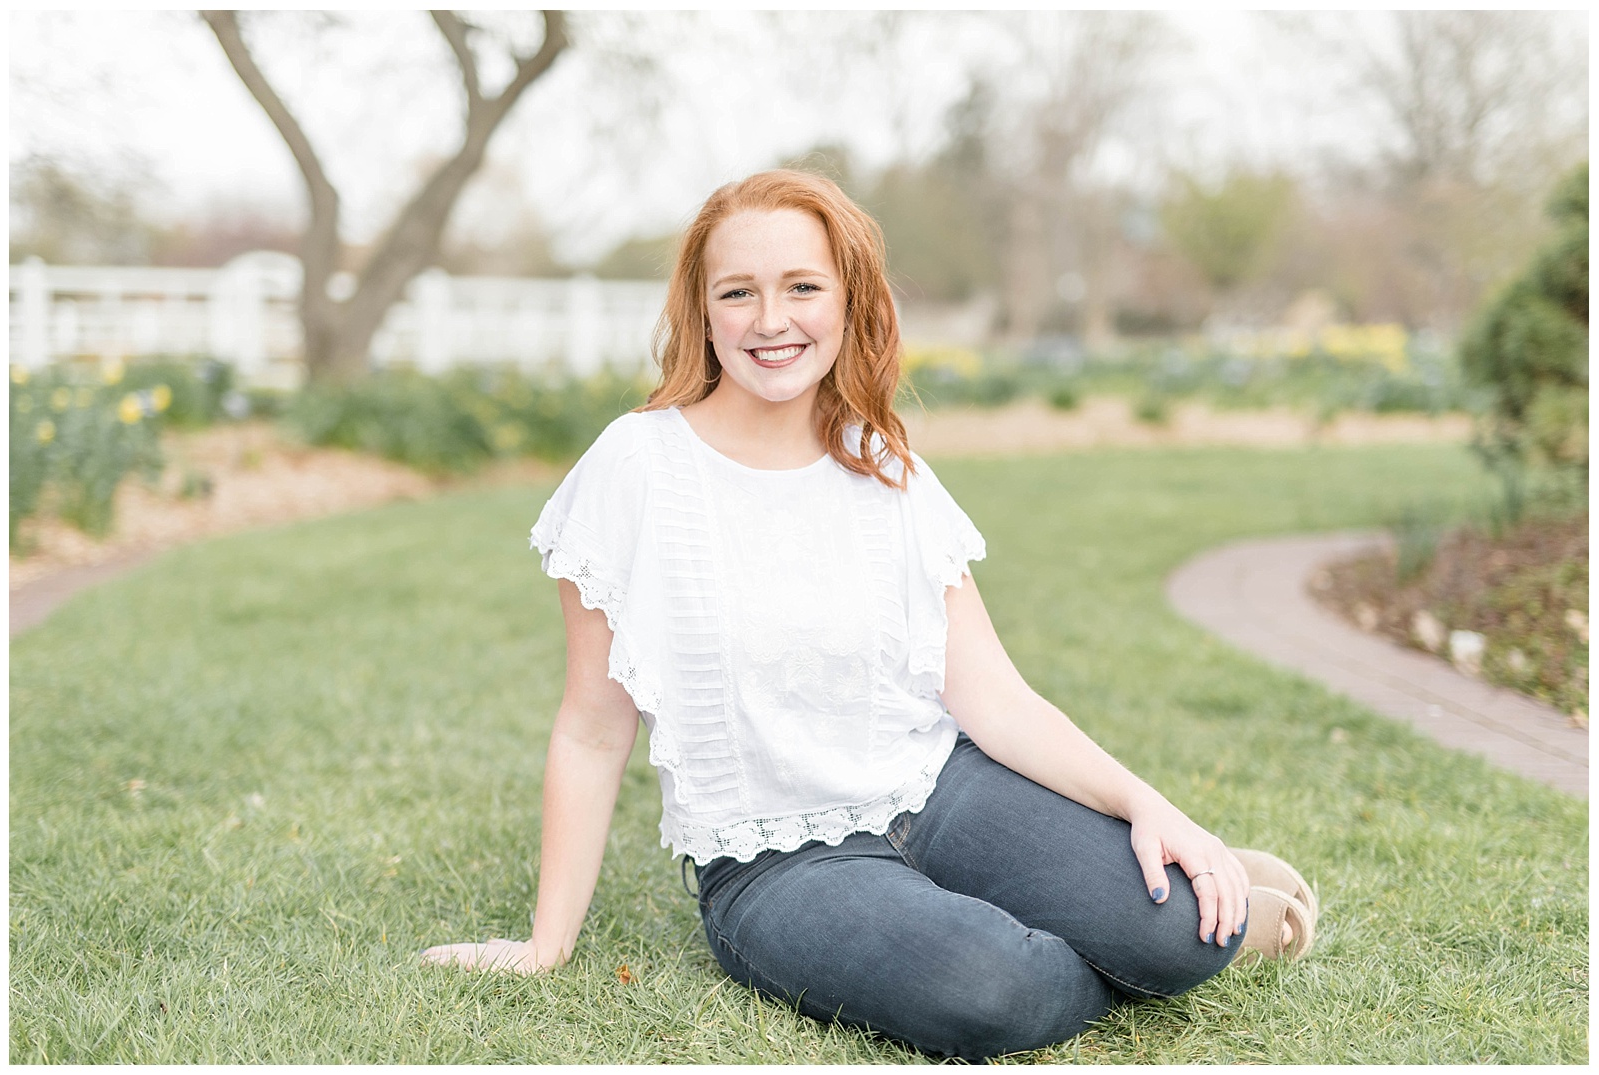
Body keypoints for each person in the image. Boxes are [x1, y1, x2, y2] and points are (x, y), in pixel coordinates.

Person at [421, 170, 1317, 1061]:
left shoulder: (882, 465)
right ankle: (1113, 916)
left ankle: (1162, 897)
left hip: (942, 792)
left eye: (802, 287)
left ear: (849, 302)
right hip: (779, 865)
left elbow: (994, 699)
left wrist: (1147, 807)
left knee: (1177, 939)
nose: (771, 320)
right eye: (739, 292)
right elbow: (589, 727)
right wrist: (547, 943)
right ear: (703, 311)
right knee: (991, 991)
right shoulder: (637, 467)